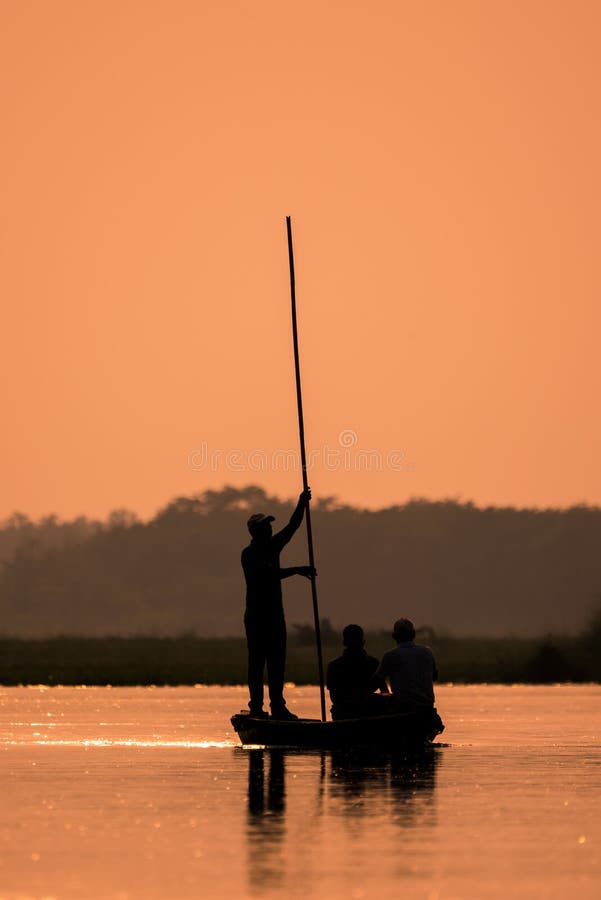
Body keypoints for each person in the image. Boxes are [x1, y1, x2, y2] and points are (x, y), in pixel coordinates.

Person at [241, 488, 316, 720]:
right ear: (256, 531)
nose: (270, 529)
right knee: (257, 663)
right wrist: (298, 570)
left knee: (277, 663)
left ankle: (278, 706)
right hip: (256, 617)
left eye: (270, 526)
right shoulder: (249, 553)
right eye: (266, 526)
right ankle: (256, 706)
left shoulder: (273, 546)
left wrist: (302, 503)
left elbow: (293, 527)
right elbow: (268, 575)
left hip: (275, 616)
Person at [326, 624, 392, 720]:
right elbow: (385, 693)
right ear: (363, 642)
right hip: (364, 713)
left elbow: (334, 698)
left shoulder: (334, 665)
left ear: (344, 642)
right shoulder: (373, 663)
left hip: (343, 714)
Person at [375, 618, 438, 710]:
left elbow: (377, 680)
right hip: (427, 705)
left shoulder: (391, 655)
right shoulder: (427, 652)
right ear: (413, 635)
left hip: (403, 706)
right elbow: (435, 676)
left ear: (394, 636)